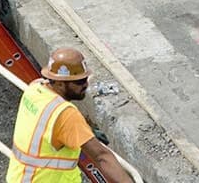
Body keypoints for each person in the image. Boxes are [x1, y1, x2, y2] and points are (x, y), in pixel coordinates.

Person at [8, 48, 132, 183]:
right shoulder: (65, 114)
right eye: (79, 82)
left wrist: (84, 129)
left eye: (85, 78)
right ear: (60, 83)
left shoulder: (35, 88)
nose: (85, 85)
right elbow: (101, 156)